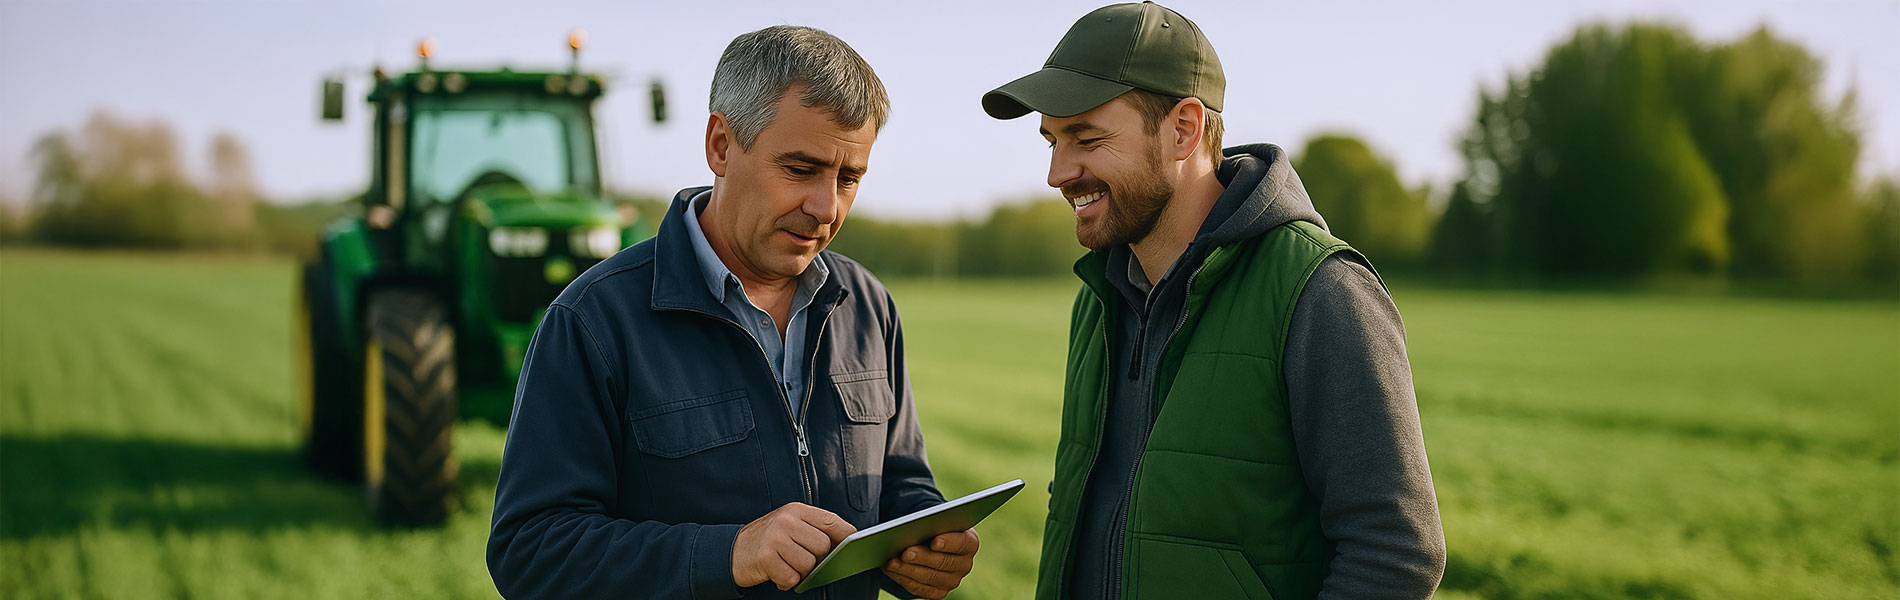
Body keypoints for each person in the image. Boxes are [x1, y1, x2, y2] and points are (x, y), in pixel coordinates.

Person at [488, 25, 979, 600]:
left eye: (849, 178)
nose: (826, 207)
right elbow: (530, 550)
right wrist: (730, 553)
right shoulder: (593, 321)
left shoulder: (867, 304)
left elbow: (900, 480)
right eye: (799, 170)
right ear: (721, 145)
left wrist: (926, 538)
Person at [981, 3, 1446, 599]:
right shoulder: (1098, 296)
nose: (1057, 172)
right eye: (1051, 141)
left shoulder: (1320, 291)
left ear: (1183, 129)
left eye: (1086, 139)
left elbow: (1396, 549)